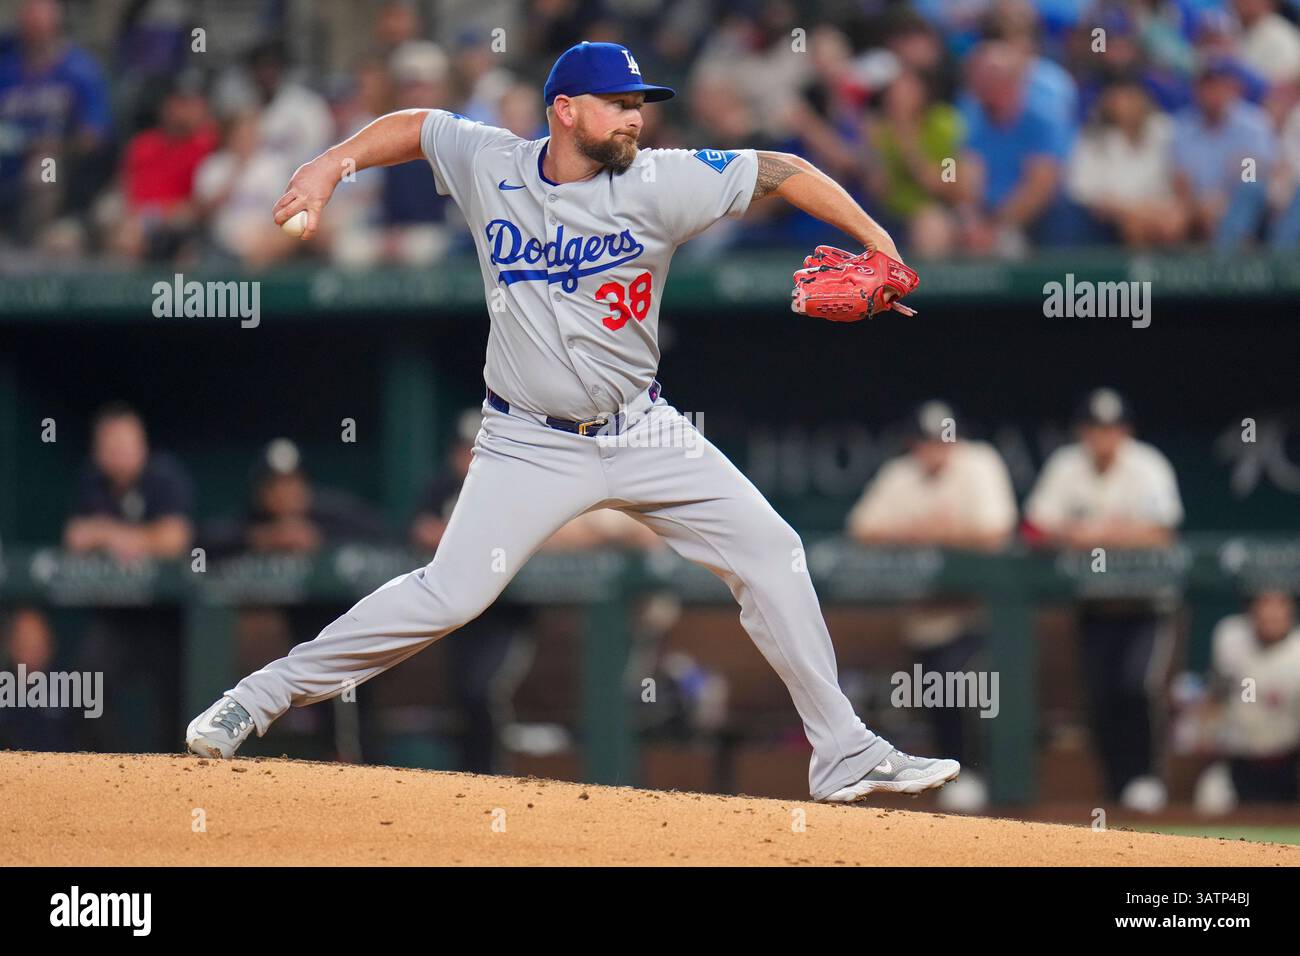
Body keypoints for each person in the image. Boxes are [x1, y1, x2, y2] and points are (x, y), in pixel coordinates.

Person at [187, 41, 960, 804]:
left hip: (642, 427)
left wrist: (878, 241)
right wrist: (329, 165)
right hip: (527, 440)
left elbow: (782, 169)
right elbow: (420, 125)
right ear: (565, 110)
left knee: (772, 550)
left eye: (639, 106)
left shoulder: (663, 179)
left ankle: (844, 751)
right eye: (620, 105)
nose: (635, 119)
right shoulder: (491, 163)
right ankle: (257, 697)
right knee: (449, 596)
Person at [846, 400, 1018, 811]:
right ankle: (959, 773)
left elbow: (996, 533)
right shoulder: (900, 474)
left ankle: (985, 778)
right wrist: (922, 531)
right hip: (927, 616)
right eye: (925, 441)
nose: (935, 450)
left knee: (972, 690)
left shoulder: (980, 463)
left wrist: (939, 534)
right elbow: (862, 528)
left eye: (943, 440)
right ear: (913, 443)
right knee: (938, 694)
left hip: (982, 614)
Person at [1023, 388, 1184, 813]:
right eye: (1095, 428)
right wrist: (1105, 533)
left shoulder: (1147, 465)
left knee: (1137, 688)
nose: (1102, 437)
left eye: (1111, 428)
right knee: (1100, 698)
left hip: (1146, 606)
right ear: (1082, 432)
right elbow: (1035, 528)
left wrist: (1089, 534)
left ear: (1125, 431)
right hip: (1093, 607)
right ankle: (1117, 788)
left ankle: (1146, 778)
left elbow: (1162, 532)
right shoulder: (1066, 466)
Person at [64, 402, 195, 752]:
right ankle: (108, 772)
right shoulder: (91, 481)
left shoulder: (163, 475)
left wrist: (109, 534)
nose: (118, 455)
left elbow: (175, 539)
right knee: (85, 686)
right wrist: (132, 538)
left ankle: (175, 773)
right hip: (117, 618)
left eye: (126, 445)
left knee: (183, 698)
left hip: (165, 618)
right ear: (97, 452)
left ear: (142, 446)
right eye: (110, 447)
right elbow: (75, 538)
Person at [1192, 591, 1300, 811]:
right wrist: (1204, 730)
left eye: (1279, 605)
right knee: (1210, 797)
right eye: (1264, 604)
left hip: (1287, 763)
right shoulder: (1231, 637)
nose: (1271, 614)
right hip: (1236, 760)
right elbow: (1216, 693)